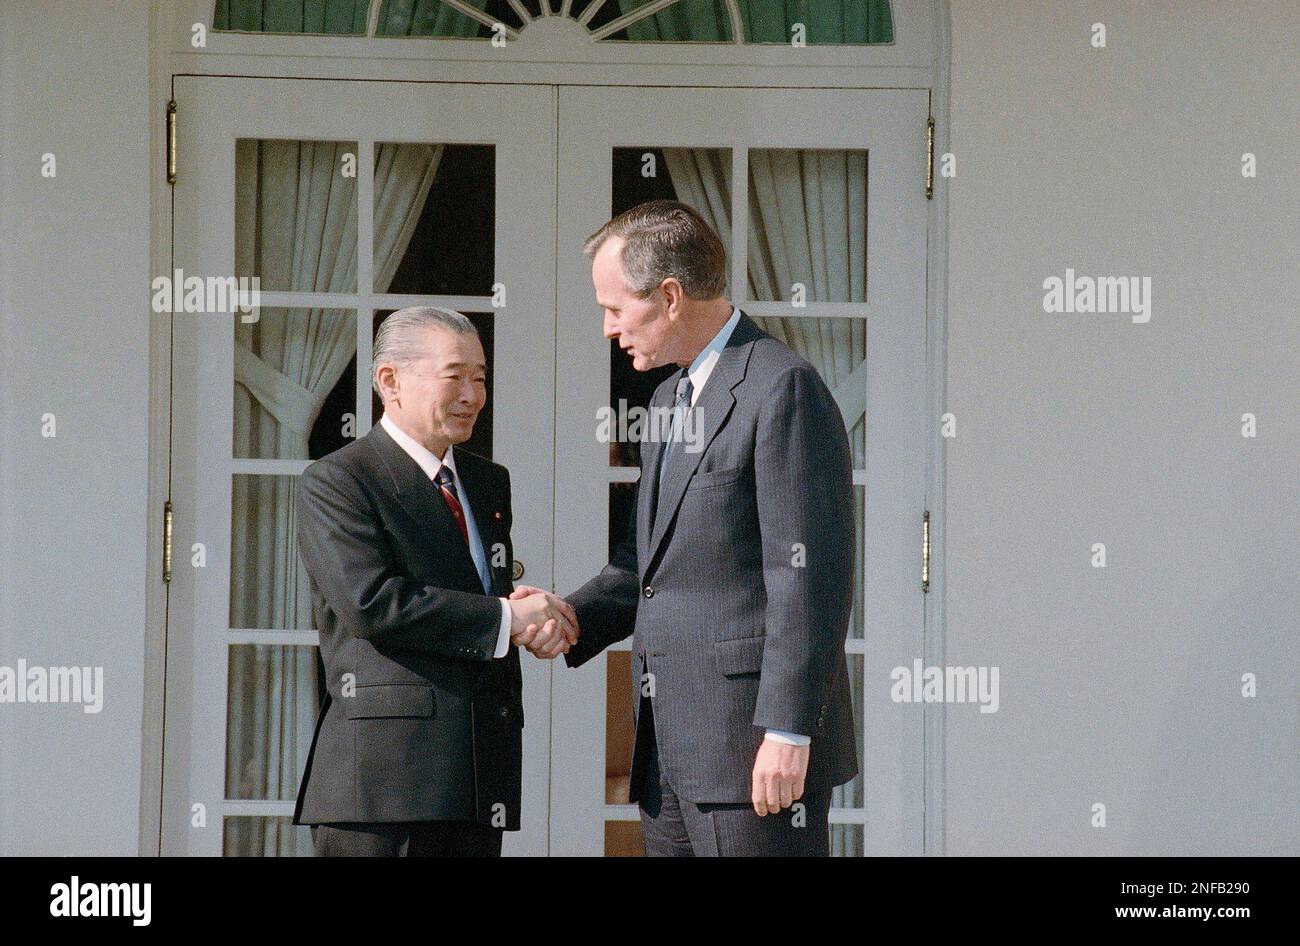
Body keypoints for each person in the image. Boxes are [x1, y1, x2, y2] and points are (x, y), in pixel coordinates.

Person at [514, 201, 858, 856]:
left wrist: (788, 732)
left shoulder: (783, 389)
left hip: (752, 756)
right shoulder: (669, 399)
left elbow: (808, 577)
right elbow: (648, 565)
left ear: (670, 296)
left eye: (616, 309)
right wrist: (569, 615)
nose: (609, 328)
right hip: (667, 759)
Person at [293, 306, 576, 857]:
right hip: (382, 788)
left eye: (480, 377)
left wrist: (523, 619)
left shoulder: (487, 481)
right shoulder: (339, 480)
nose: (473, 393)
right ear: (390, 381)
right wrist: (505, 619)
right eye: (455, 376)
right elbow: (371, 602)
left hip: (474, 778)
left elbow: (477, 604)